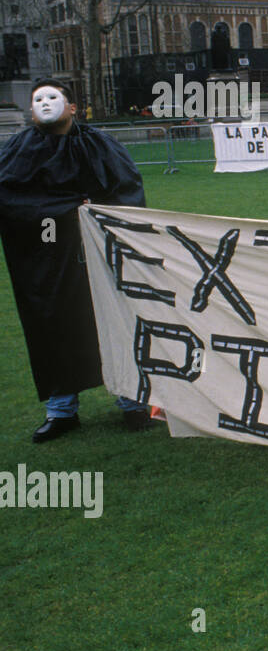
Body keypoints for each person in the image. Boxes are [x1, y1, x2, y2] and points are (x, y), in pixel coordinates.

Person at [0, 79, 155, 442]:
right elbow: (11, 200)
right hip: (47, 254)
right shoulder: (18, 151)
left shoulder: (99, 145)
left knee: (113, 317)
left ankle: (132, 401)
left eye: (53, 97)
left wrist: (95, 211)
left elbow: (126, 190)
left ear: (72, 108)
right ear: (31, 112)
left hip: (99, 251)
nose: (45, 104)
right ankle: (61, 410)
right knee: (52, 324)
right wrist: (63, 212)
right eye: (38, 99)